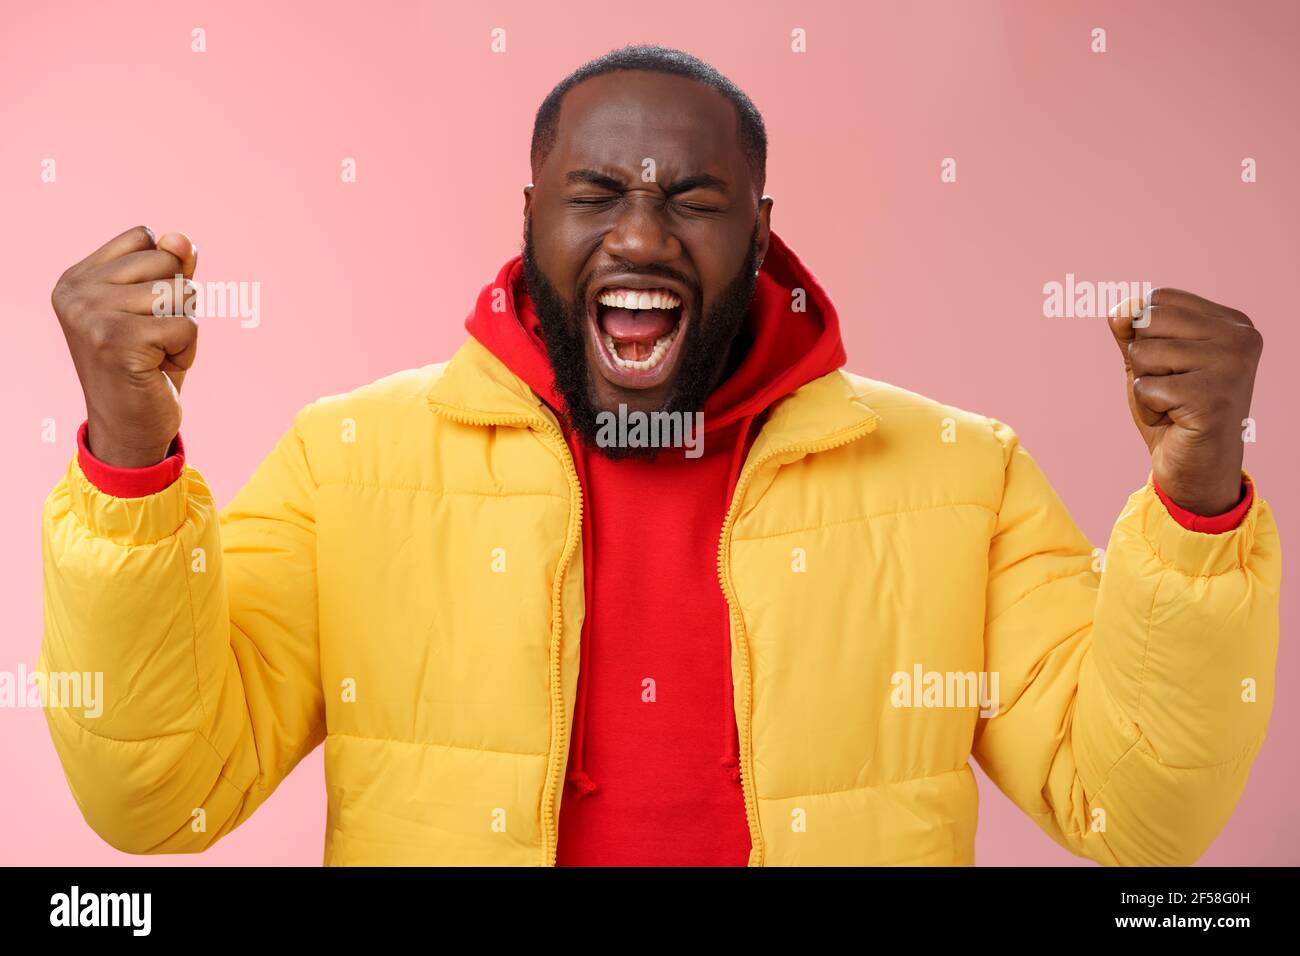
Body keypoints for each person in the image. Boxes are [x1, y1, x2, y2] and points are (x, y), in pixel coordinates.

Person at [39, 45, 1278, 866]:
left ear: (760, 233)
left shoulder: (962, 474)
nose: (641, 234)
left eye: (692, 198)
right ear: (529, 217)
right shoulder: (347, 461)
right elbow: (160, 793)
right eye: (594, 194)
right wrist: (132, 457)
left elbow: (1137, 813)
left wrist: (1198, 499)